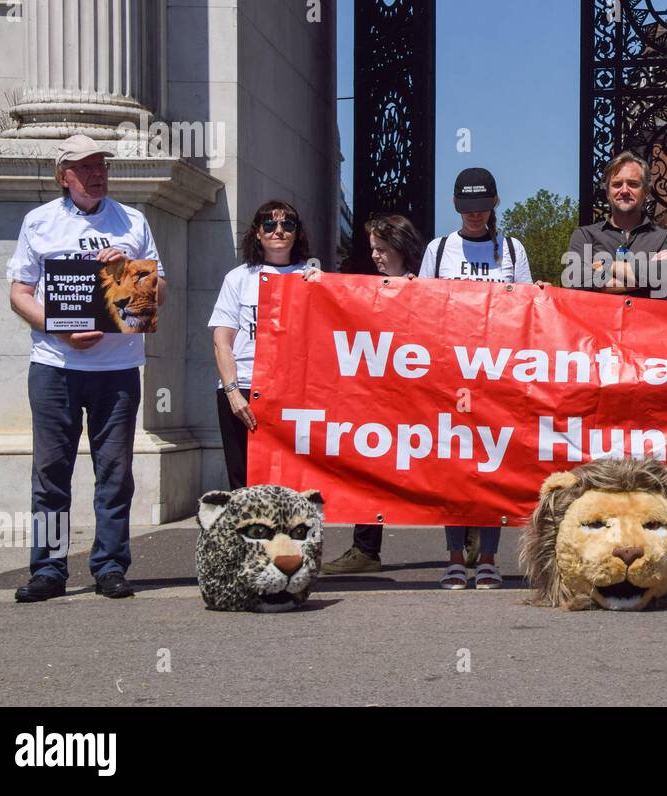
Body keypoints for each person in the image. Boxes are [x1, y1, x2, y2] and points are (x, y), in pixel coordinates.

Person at [8, 134, 167, 602]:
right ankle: (49, 570)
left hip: (117, 369)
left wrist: (131, 270)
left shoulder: (133, 221)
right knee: (51, 472)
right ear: (64, 177)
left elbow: (159, 296)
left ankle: (111, 565)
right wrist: (58, 330)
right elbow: (19, 293)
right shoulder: (38, 221)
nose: (97, 173)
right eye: (85, 167)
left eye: (102, 165)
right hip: (54, 365)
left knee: (115, 472)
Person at [419, 168, 532, 590]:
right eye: (468, 209)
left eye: (483, 207)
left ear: (494, 205)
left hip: (497, 375)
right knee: (453, 466)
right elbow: (423, 309)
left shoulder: (513, 250)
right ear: (455, 207)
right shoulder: (439, 248)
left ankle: (487, 557)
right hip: (450, 373)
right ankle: (453, 556)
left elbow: (525, 311)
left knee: (490, 464)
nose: (476, 216)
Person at [321, 213, 426, 575]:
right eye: (372, 250)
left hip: (423, 393)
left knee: (443, 460)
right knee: (371, 466)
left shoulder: (428, 287)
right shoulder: (367, 289)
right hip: (379, 396)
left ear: (401, 247)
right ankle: (365, 547)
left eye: (382, 249)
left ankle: (466, 538)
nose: (377, 256)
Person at [209, 201, 312, 489]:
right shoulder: (238, 278)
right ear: (257, 232)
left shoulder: (311, 277)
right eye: (270, 225)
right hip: (242, 386)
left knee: (290, 484)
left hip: (292, 392)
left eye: (287, 225)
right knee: (243, 483)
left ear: (296, 232)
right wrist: (232, 393)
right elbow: (221, 341)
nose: (278, 231)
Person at [564, 150, 667, 298]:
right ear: (607, 192)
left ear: (645, 191)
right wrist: (646, 274)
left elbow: (662, 275)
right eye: (617, 184)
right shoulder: (585, 236)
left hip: (648, 320)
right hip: (600, 321)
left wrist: (605, 265)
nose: (624, 190)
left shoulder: (666, 238)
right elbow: (576, 282)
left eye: (633, 184)